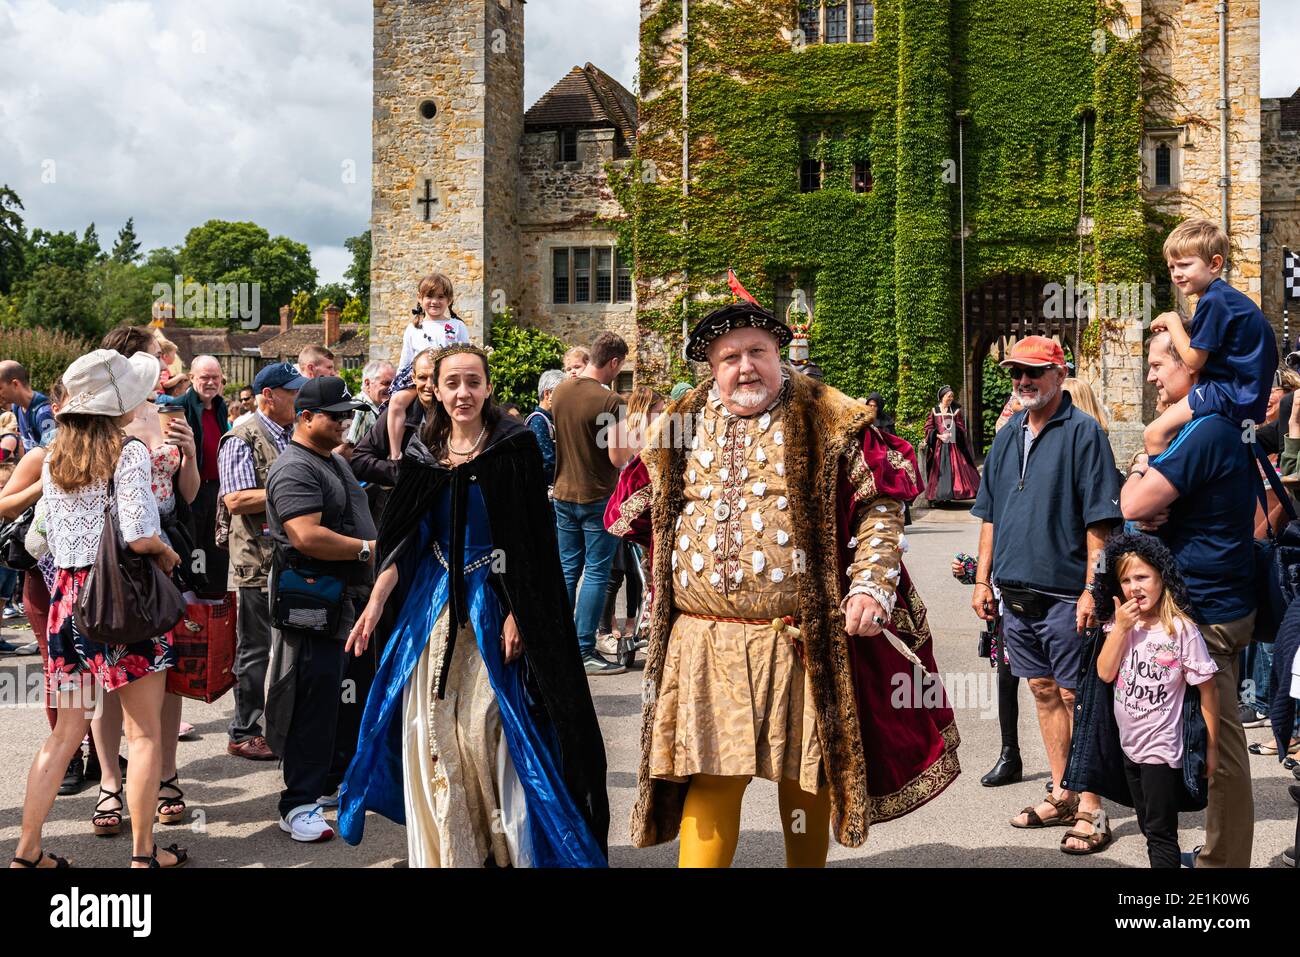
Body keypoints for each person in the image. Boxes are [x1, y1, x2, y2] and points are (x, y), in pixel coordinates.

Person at [606, 301, 958, 867]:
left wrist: (869, 585)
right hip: (704, 642)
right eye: (729, 358)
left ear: (780, 355)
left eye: (757, 353)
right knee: (713, 777)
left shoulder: (828, 415)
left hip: (797, 638)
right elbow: (635, 507)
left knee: (805, 778)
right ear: (711, 367)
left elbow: (881, 506)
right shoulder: (682, 419)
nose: (745, 368)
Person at [337, 344, 609, 867]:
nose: (463, 393)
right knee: (433, 728)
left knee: (490, 731)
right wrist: (375, 603)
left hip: (498, 598)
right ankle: (453, 848)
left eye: (473, 382)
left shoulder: (516, 447)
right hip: (432, 606)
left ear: (487, 387)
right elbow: (402, 540)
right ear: (434, 390)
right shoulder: (421, 451)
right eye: (452, 383)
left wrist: (520, 613)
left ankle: (506, 848)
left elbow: (533, 541)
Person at [12, 349, 187, 869]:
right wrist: (168, 551)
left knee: (65, 731)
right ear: (119, 404)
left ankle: (26, 853)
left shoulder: (56, 459)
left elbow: (38, 541)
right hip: (121, 602)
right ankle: (142, 855)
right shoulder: (128, 452)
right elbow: (138, 535)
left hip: (67, 603)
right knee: (145, 732)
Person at [971, 335, 1121, 854]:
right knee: (1040, 691)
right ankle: (1062, 790)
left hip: (1064, 595)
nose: (1022, 381)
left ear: (1060, 374)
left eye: (1034, 372)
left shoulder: (1084, 434)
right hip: (1013, 594)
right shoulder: (1009, 432)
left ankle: (1093, 808)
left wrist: (1090, 590)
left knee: (1080, 698)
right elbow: (990, 513)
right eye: (1016, 372)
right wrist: (981, 579)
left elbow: (1100, 522)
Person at [1121, 330, 1258, 868]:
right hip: (1210, 602)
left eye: (1159, 365)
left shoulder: (1206, 432)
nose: (1152, 376)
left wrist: (1140, 461)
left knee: (1222, 748)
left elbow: (1133, 502)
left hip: (1211, 610)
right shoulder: (1204, 430)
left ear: (1192, 369)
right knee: (1197, 734)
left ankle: (1223, 868)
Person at [87, 326, 201, 841]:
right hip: (114, 554)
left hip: (168, 549)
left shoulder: (174, 412)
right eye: (157, 358)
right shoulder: (99, 421)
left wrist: (192, 456)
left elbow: (189, 495)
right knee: (111, 674)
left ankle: (166, 775)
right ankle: (111, 781)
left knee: (167, 668)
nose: (167, 367)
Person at [264, 376, 378, 843]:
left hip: (341, 600)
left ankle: (329, 784)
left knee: (339, 698)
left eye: (348, 415)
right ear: (306, 417)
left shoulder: (329, 458)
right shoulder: (295, 467)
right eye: (336, 416)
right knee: (312, 701)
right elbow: (305, 536)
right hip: (313, 601)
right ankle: (298, 804)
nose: (345, 422)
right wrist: (368, 551)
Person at [1086, 534, 1220, 868]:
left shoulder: (1180, 629)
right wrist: (1120, 630)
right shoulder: (1120, 624)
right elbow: (1104, 673)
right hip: (1129, 746)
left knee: (1161, 833)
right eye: (1126, 580)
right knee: (1148, 824)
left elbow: (1208, 689)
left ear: (1162, 577)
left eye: (1142, 577)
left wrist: (1212, 748)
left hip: (1162, 749)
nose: (1134, 587)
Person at [218, 362, 305, 762]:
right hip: (256, 562)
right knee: (254, 650)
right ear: (268, 397)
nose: (299, 398)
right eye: (293, 392)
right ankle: (243, 730)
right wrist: (293, 485)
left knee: (292, 645)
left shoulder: (291, 435)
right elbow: (235, 500)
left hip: (290, 556)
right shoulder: (240, 437)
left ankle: (281, 725)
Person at [1144, 218, 1277, 456]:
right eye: (1171, 267)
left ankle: (1161, 486)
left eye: (1184, 265)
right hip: (1244, 392)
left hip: (1228, 391)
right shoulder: (1226, 298)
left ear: (1215, 264)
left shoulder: (1213, 301)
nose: (1176, 274)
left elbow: (1193, 360)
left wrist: (1173, 320)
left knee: (1154, 434)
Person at [550, 332, 632, 675]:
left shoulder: (560, 391)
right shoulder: (612, 402)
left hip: (563, 492)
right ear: (613, 362)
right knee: (596, 572)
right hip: (599, 496)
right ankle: (584, 648)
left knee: (568, 571)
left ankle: (557, 643)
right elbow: (617, 458)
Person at [597, 387, 663, 660]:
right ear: (649, 408)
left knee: (618, 573)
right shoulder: (655, 432)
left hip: (621, 505)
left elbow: (615, 463)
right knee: (638, 574)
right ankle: (635, 622)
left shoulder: (618, 427)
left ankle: (611, 625)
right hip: (642, 508)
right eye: (659, 409)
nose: (662, 413)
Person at [387, 275, 471, 463]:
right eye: (429, 296)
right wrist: (400, 384)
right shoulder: (413, 328)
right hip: (420, 377)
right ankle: (395, 453)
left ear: (449, 300)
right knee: (397, 402)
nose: (435, 301)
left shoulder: (457, 326)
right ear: (420, 298)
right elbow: (405, 359)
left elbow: (466, 356)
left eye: (441, 297)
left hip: (447, 377)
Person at [179, 355, 230, 599]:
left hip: (218, 489)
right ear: (191, 378)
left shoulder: (221, 407)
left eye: (215, 377)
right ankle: (194, 600)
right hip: (192, 490)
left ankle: (213, 601)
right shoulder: (181, 407)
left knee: (217, 547)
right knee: (194, 547)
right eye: (204, 377)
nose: (210, 382)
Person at [924, 385, 980, 503]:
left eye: (952, 397)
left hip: (953, 445)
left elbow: (961, 427)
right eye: (948, 396)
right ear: (942, 397)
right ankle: (940, 497)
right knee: (940, 470)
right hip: (939, 446)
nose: (951, 399)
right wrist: (938, 436)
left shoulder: (955, 411)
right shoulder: (935, 410)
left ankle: (954, 493)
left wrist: (952, 433)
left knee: (957, 469)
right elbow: (929, 427)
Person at [340, 359, 395, 462]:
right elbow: (345, 450)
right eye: (386, 383)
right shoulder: (360, 410)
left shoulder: (376, 407)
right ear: (367, 383)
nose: (391, 388)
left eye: (393, 384)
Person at [0, 361, 57, 453]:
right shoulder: (17, 407)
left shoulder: (44, 413)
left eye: (0, 388)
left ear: (15, 384)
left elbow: (51, 455)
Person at [526, 369, 564, 489]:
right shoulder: (538, 420)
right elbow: (547, 461)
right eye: (563, 394)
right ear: (547, 394)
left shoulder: (550, 420)